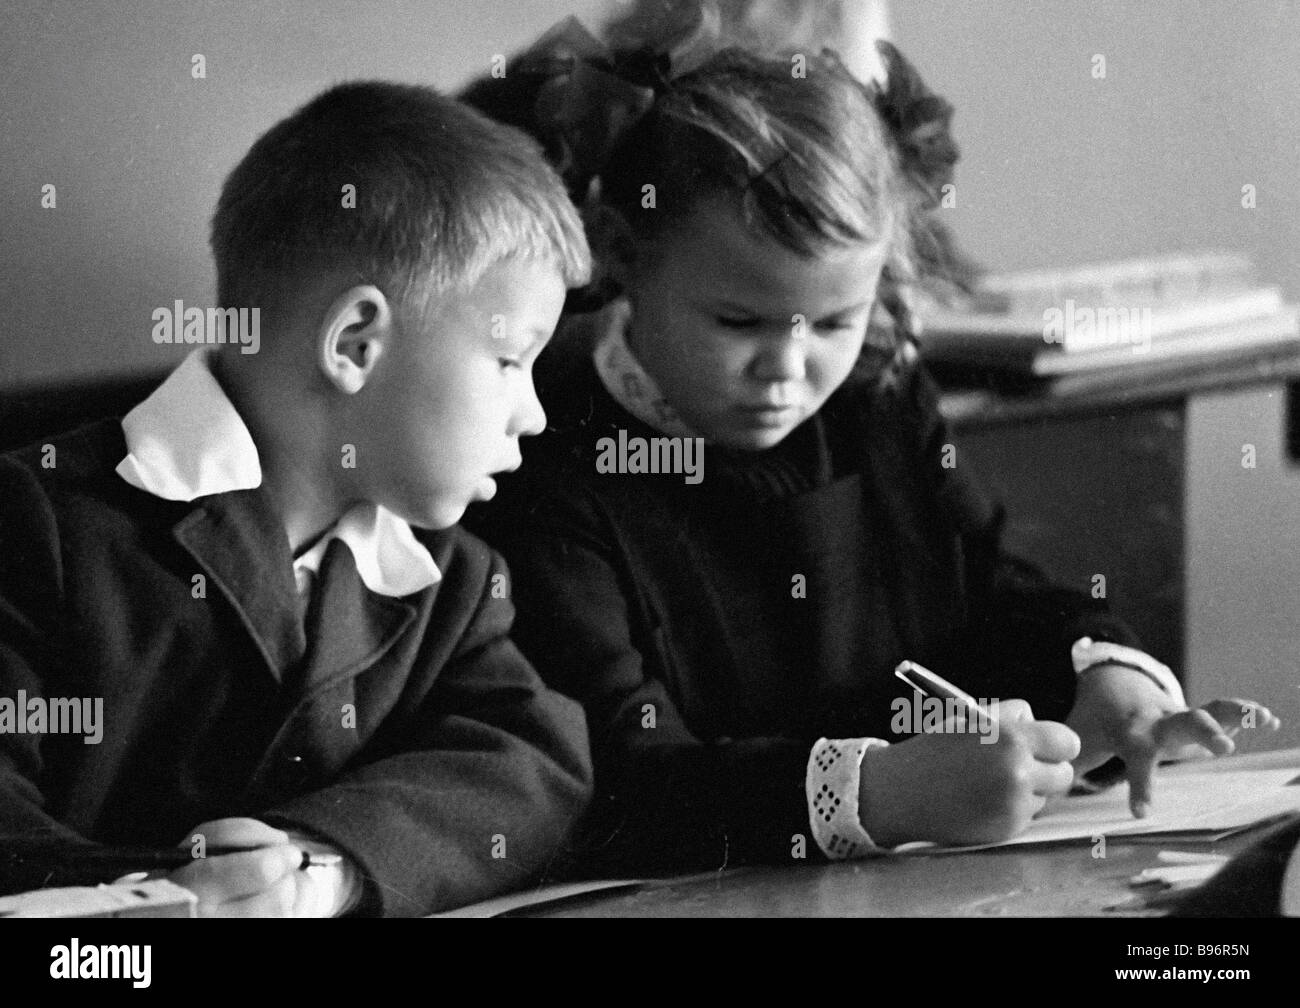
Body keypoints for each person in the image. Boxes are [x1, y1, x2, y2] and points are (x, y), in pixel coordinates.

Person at [463, 17, 1278, 873]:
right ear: (626, 254)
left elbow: (988, 593)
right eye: (738, 321)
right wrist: (881, 794)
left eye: (834, 322)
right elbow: (614, 785)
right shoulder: (547, 462)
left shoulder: (877, 400)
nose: (787, 368)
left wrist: (1103, 677)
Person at [0, 81, 594, 915]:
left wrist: (322, 870)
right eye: (509, 362)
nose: (534, 413)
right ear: (356, 342)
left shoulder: (449, 582)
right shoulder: (39, 520)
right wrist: (171, 896)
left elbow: (531, 765)